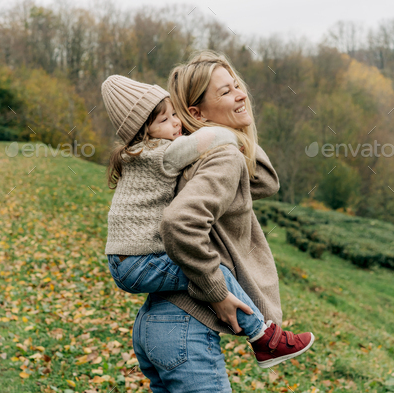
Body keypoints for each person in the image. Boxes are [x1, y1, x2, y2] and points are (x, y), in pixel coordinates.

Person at [127, 51, 315, 392]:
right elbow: (179, 224)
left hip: (158, 322)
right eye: (225, 92)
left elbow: (263, 181)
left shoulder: (208, 155)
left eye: (237, 85)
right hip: (185, 323)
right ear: (196, 113)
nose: (241, 94)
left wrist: (235, 128)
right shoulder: (224, 157)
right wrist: (217, 291)